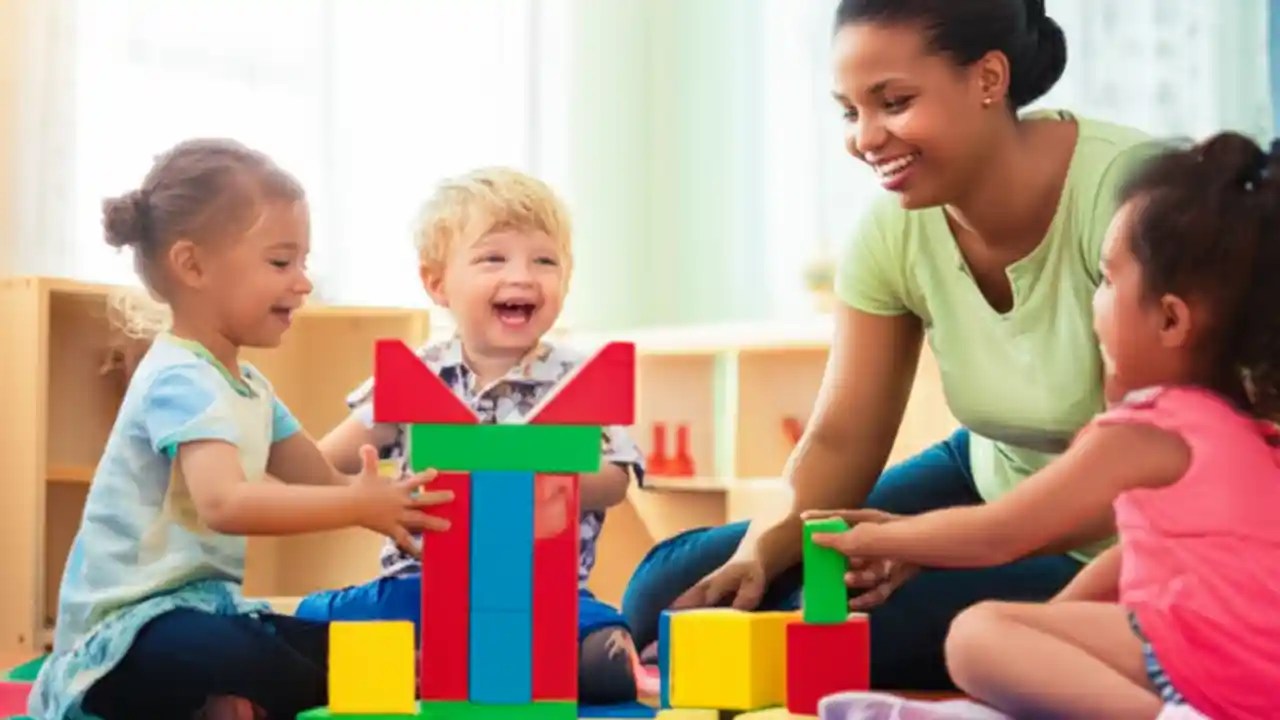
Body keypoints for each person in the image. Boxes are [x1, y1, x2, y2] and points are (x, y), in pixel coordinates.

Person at [621, 0, 1163, 690]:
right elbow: (842, 438)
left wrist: (932, 547)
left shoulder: (1134, 198)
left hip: (1118, 530)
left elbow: (1154, 460)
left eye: (895, 102)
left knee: (824, 630)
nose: (866, 138)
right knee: (669, 595)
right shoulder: (893, 231)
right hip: (990, 471)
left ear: (988, 79)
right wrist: (760, 553)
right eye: (850, 112)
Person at [808, 131, 1280, 720]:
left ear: (1169, 319)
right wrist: (1047, 631)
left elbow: (1000, 533)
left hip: (1207, 670)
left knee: (975, 635)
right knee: (1025, 636)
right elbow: (1127, 563)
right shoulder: (1248, 434)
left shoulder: (1147, 432)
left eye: (1107, 280)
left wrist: (876, 538)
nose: (1095, 300)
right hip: (1252, 677)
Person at [29, 139, 451, 720]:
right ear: (193, 265)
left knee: (303, 639)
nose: (303, 282)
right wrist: (356, 505)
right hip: (125, 640)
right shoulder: (178, 376)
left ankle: (268, 694)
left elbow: (324, 480)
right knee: (231, 651)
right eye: (281, 263)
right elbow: (226, 503)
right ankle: (270, 694)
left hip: (205, 609)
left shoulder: (248, 385)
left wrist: (398, 504)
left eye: (304, 262)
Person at [293, 166, 653, 704]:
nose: (524, 276)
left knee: (602, 657)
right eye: (493, 258)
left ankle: (480, 665)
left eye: (545, 261)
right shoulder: (414, 376)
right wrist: (359, 494)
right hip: (421, 585)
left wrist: (530, 468)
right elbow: (323, 463)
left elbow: (615, 480)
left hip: (543, 593)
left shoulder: (579, 377)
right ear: (437, 284)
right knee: (307, 628)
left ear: (566, 281)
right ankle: (440, 662)